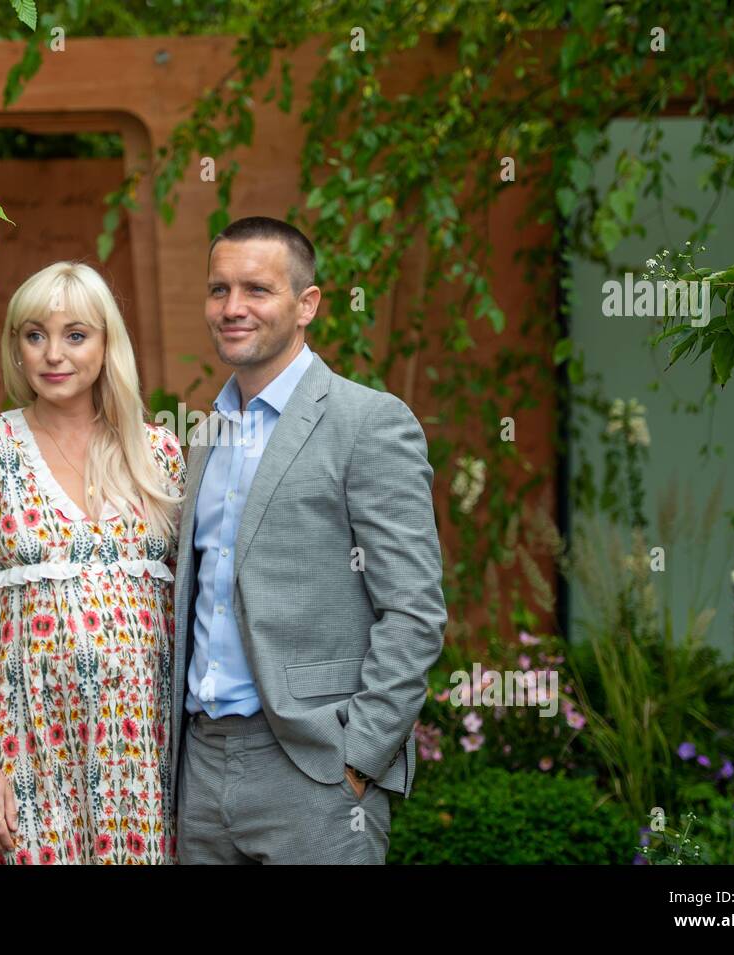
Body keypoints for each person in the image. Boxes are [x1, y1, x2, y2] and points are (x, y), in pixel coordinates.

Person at [171, 216, 448, 864]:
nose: (232, 308)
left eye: (256, 290)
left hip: (314, 773)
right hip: (200, 769)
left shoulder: (367, 423)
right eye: (218, 290)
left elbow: (414, 610)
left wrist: (362, 754)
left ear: (307, 305)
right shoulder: (205, 434)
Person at [0, 261, 185, 864]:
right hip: (22, 748)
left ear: (106, 343)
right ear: (15, 346)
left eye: (75, 334)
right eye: (34, 334)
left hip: (139, 757)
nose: (52, 354)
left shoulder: (160, 455)